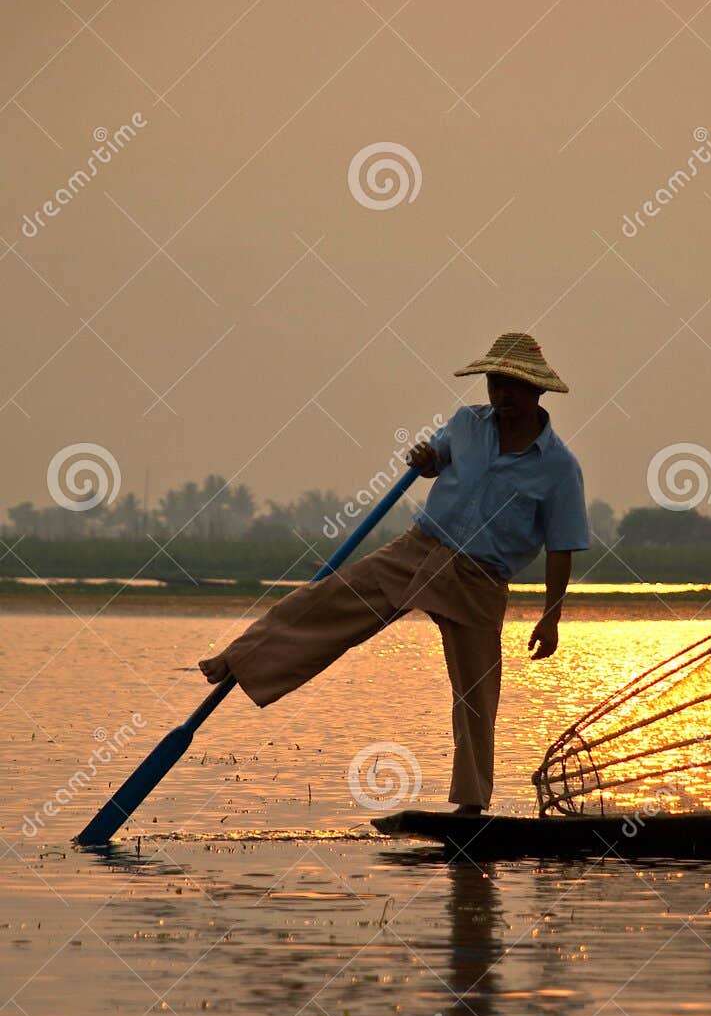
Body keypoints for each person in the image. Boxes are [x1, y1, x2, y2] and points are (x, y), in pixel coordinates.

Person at [198, 332, 589, 814]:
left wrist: (551, 618)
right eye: (495, 383)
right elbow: (434, 457)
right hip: (419, 550)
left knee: (476, 695)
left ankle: (470, 806)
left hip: (479, 579)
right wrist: (426, 458)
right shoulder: (468, 423)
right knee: (327, 601)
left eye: (513, 385)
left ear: (537, 392)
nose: (502, 394)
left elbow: (561, 548)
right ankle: (242, 658)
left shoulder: (558, 467)